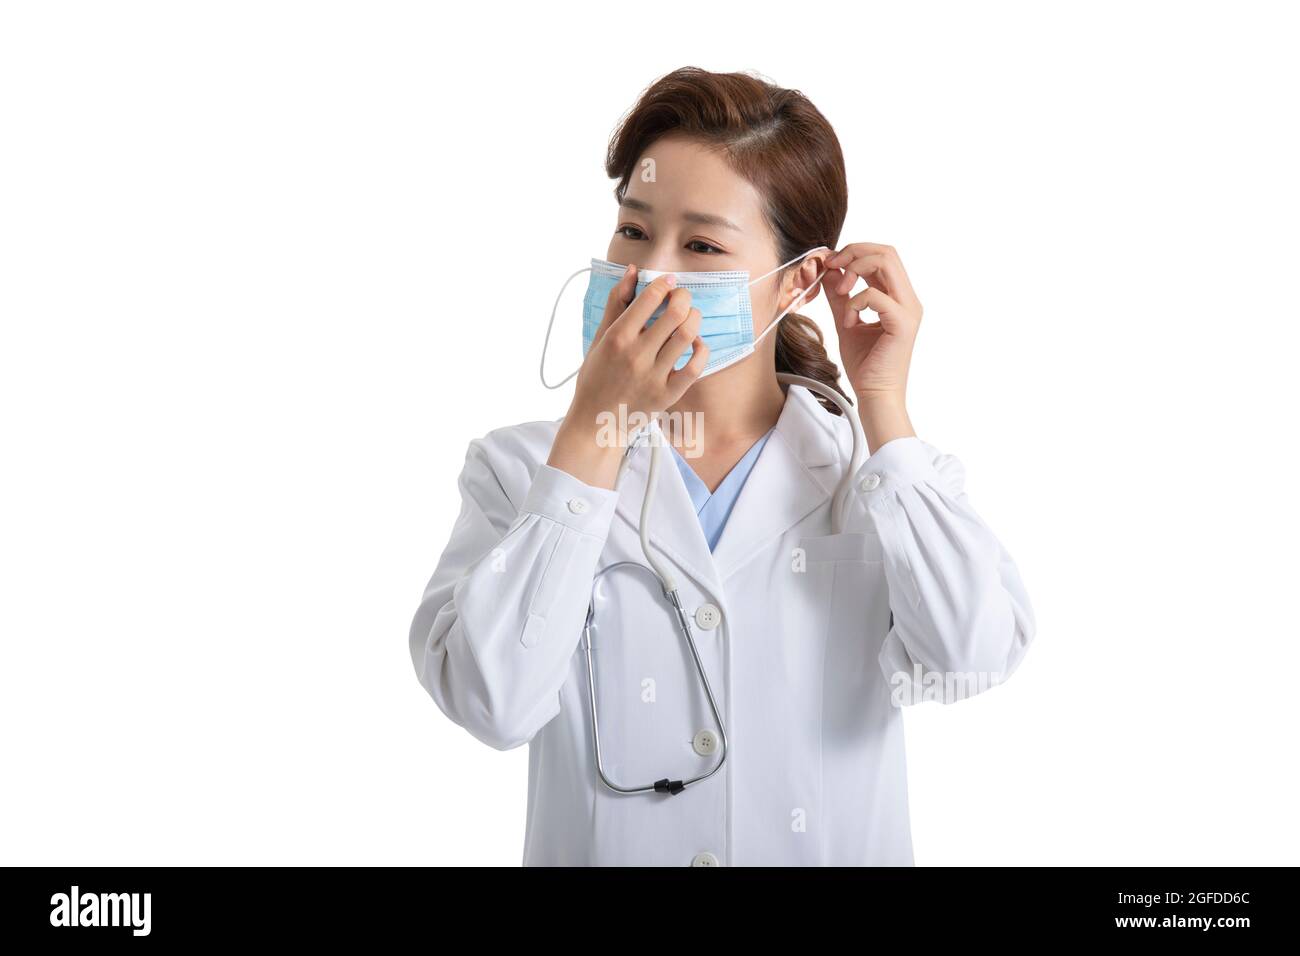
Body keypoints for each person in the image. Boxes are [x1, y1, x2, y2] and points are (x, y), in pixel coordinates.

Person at [408, 66, 1036, 866]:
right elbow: (488, 701)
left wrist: (883, 406)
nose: (649, 272)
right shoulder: (522, 468)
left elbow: (971, 658)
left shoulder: (875, 474)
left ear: (798, 280)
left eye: (701, 245)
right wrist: (593, 436)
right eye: (634, 232)